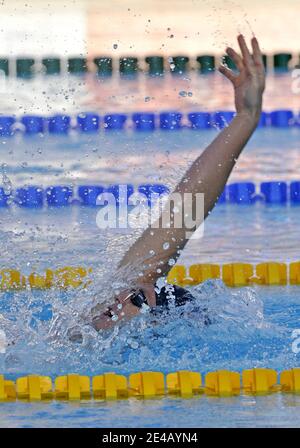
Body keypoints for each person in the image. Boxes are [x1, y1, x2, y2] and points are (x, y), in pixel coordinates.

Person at [89, 34, 265, 333]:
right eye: (130, 291)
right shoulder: (73, 331)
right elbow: (184, 210)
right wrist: (245, 118)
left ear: (152, 327)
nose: (118, 297)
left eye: (136, 300)